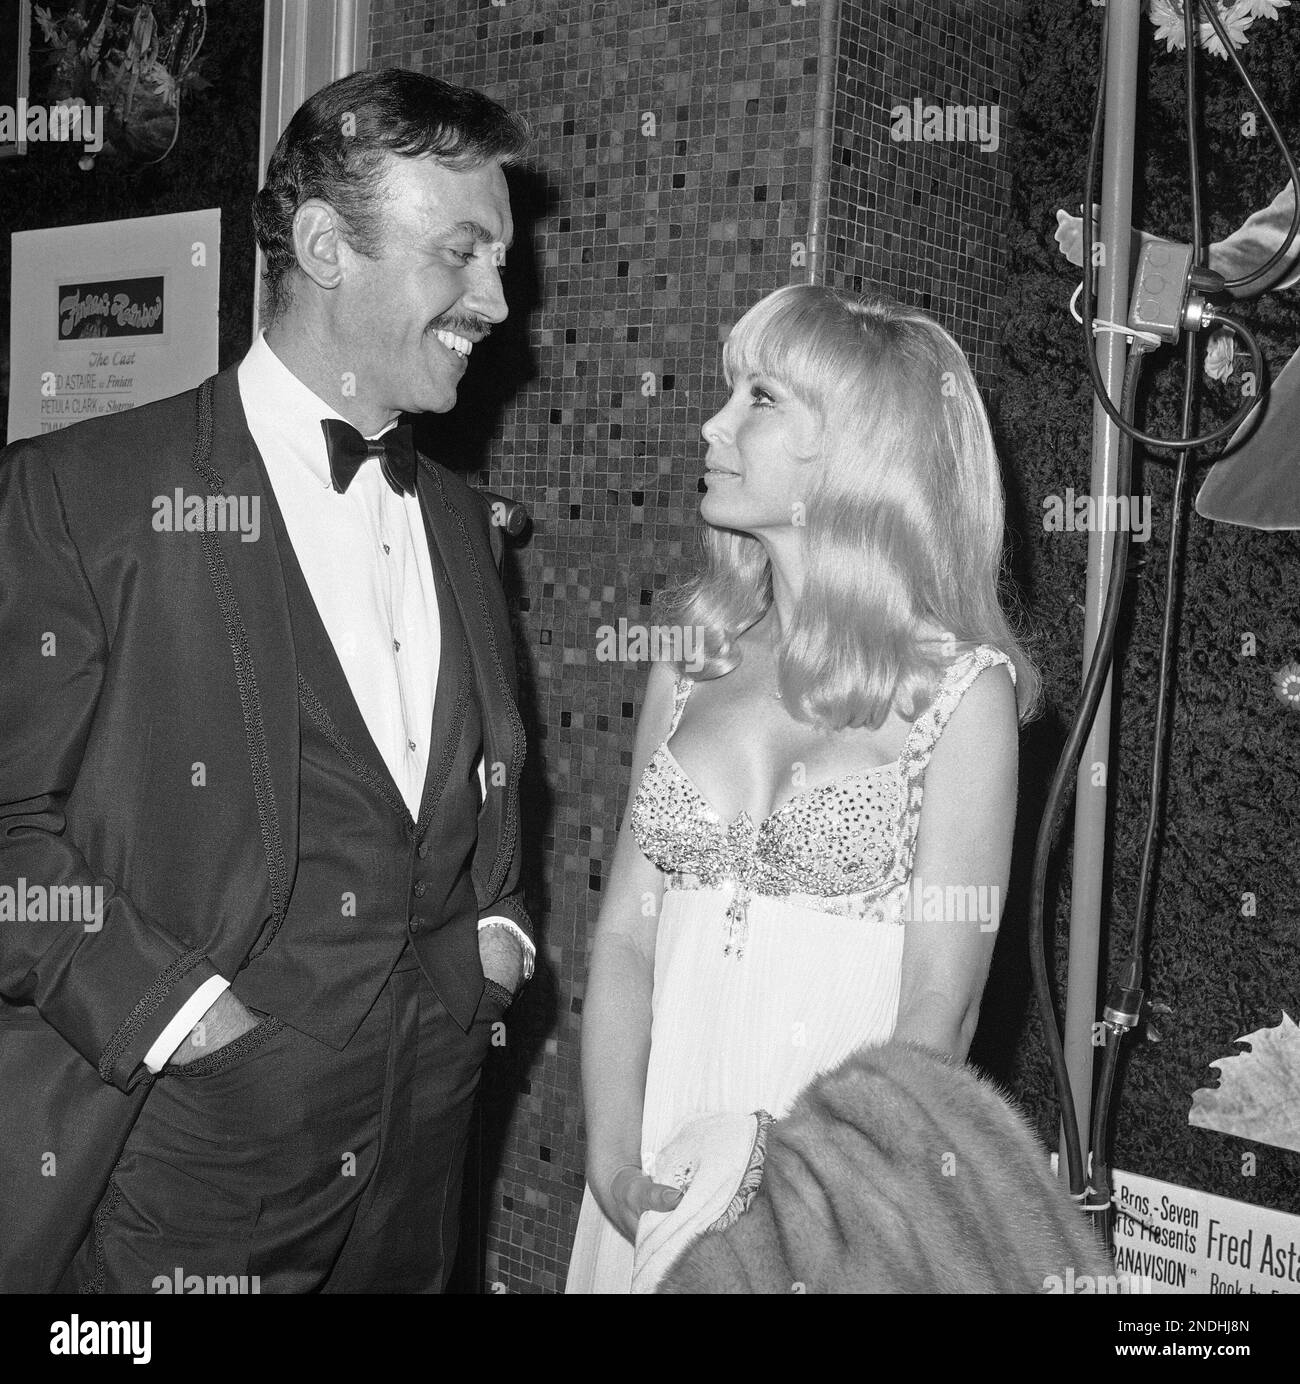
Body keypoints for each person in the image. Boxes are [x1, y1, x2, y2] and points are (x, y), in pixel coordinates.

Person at [0, 68, 534, 1293]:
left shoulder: (459, 517)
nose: (498, 300)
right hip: (190, 1159)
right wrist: (189, 1026)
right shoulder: (83, 495)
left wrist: (492, 935)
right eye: (460, 251)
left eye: (498, 256)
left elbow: (484, 779)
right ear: (322, 245)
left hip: (422, 1143)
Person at [566, 283, 1040, 1293]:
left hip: (835, 1203)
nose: (714, 422)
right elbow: (626, 937)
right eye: (730, 391)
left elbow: (938, 1013)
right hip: (660, 1169)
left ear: (857, 448)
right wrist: (612, 1156)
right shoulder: (689, 659)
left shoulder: (963, 694)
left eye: (761, 399)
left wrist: (821, 1210)